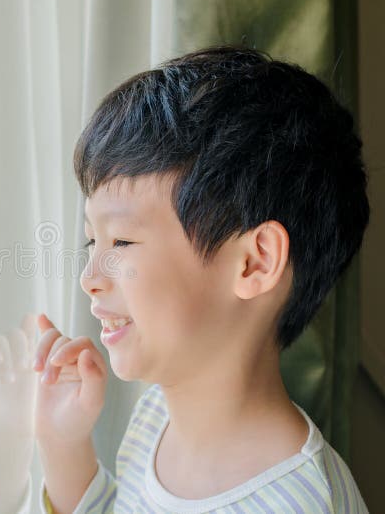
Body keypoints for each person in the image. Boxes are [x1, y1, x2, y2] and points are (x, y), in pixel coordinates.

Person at [33, 45, 370, 513]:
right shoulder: (157, 416)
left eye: (122, 242)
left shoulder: (298, 504)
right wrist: (62, 445)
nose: (90, 278)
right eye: (94, 241)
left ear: (254, 263)